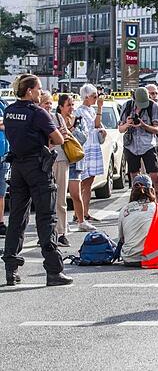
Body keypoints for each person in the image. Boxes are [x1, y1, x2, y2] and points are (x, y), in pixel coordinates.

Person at [2, 74, 72, 286]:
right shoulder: (38, 112)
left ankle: (11, 271)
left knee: (16, 218)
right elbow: (59, 139)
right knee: (46, 217)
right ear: (30, 91)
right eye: (39, 89)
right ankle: (53, 271)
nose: (40, 92)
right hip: (38, 168)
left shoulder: (9, 111)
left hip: (18, 167)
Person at [53, 95, 91, 246]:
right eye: (68, 105)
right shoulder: (54, 119)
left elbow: (83, 139)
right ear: (61, 106)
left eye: (72, 105)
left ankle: (80, 221)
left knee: (74, 194)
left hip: (73, 158)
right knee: (57, 196)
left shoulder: (77, 120)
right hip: (59, 158)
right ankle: (58, 228)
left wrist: (72, 129)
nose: (71, 108)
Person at [118, 87, 158, 205]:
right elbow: (120, 129)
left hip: (148, 145)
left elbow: (156, 130)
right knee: (135, 180)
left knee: (156, 177)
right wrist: (128, 124)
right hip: (131, 146)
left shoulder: (153, 106)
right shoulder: (127, 106)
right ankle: (136, 205)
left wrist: (143, 125)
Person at [75, 84, 107, 223]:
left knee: (90, 181)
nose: (96, 98)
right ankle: (79, 212)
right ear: (86, 97)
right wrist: (100, 108)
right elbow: (94, 125)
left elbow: (98, 125)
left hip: (94, 146)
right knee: (83, 181)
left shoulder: (91, 110)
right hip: (86, 148)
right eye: (94, 96)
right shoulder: (80, 111)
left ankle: (85, 212)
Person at [0, 96, 9, 236]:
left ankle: (0, 222)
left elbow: (10, 124)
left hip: (4, 154)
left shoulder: (3, 103)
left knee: (1, 192)